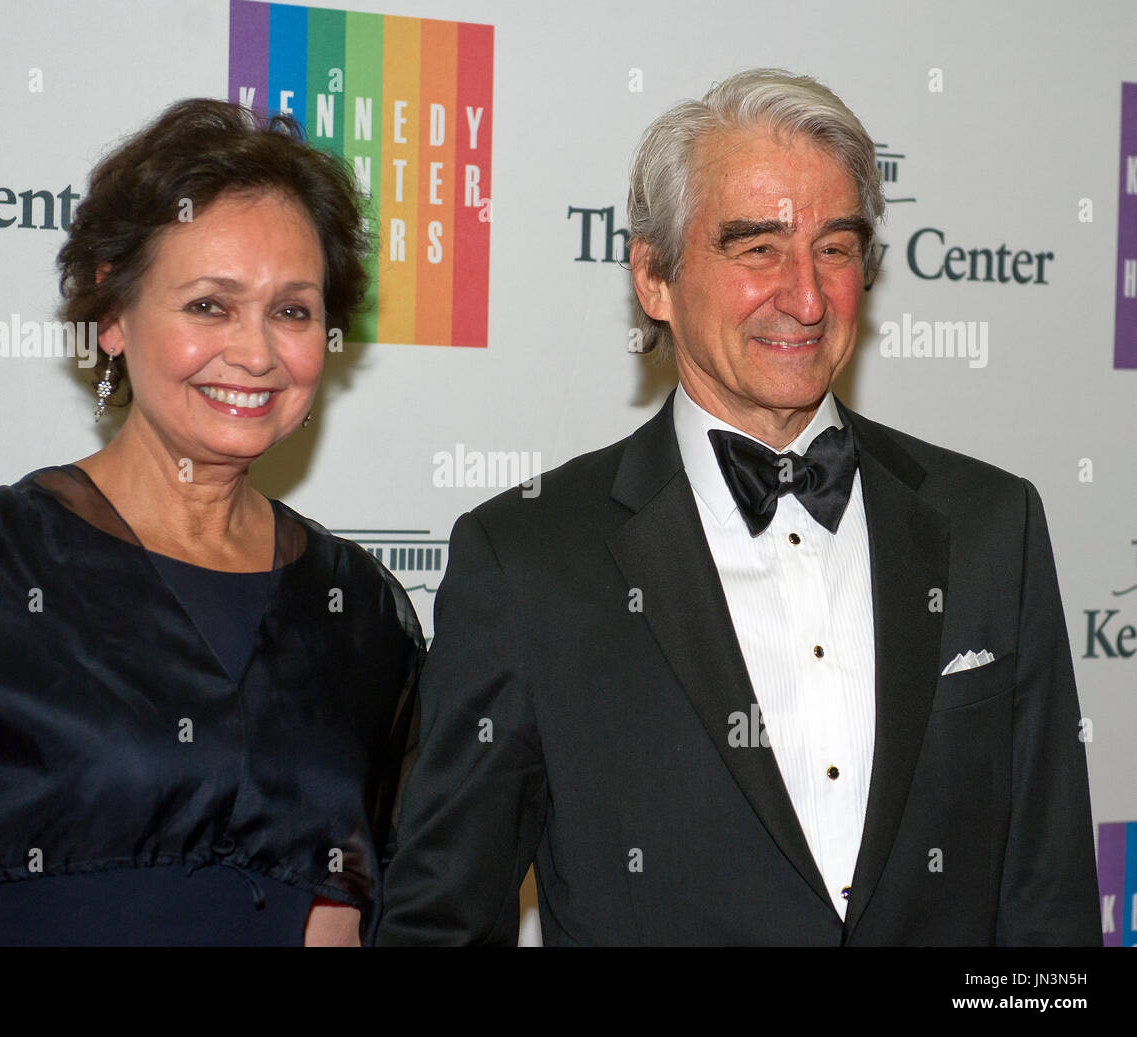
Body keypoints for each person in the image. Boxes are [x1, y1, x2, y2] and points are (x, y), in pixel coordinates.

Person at [378, 68, 1101, 946]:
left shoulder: (994, 525)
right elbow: (440, 923)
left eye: (834, 248)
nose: (804, 296)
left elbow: (1049, 909)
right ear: (654, 276)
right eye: (758, 248)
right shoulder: (528, 559)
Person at [0, 98, 422, 946]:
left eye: (292, 310)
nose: (256, 352)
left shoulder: (359, 612)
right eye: (210, 306)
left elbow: (348, 917)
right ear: (112, 314)